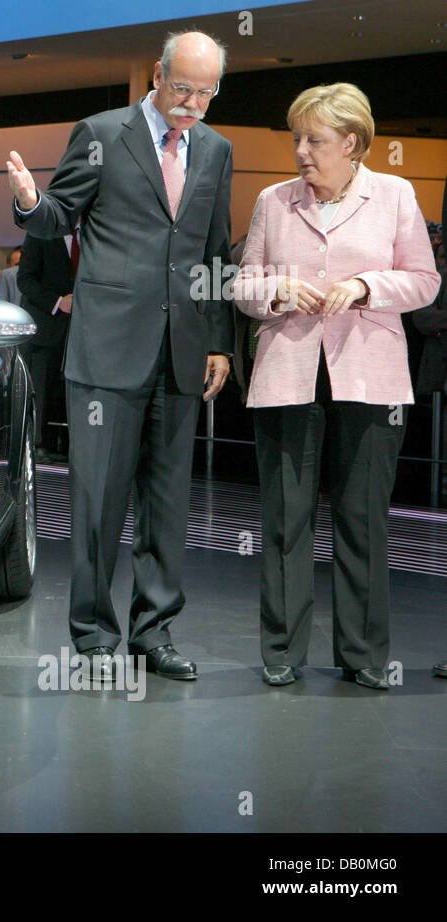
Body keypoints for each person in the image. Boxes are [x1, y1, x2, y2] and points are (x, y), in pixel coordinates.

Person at [6, 30, 235, 680]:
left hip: (182, 350)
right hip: (107, 350)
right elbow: (58, 215)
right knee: (99, 503)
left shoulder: (216, 151)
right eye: (183, 88)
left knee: (167, 506)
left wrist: (218, 337)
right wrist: (28, 202)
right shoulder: (102, 132)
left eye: (206, 92)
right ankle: (93, 635)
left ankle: (153, 631)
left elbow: (214, 251)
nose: (192, 103)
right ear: (156, 77)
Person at [232, 83, 439, 689]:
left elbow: (424, 282)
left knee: (363, 519)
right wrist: (277, 291)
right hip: (287, 376)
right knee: (284, 520)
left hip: (370, 379)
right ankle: (281, 652)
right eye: (297, 138)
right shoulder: (273, 201)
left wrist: (369, 285)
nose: (301, 150)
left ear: (351, 143)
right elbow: (241, 286)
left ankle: (365, 656)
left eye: (314, 140)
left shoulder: (395, 195)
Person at [17, 233, 75, 460]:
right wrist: (58, 302)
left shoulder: (95, 229)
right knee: (40, 388)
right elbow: (25, 280)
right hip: (46, 326)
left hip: (87, 327)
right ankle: (38, 443)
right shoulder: (40, 233)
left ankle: (75, 444)